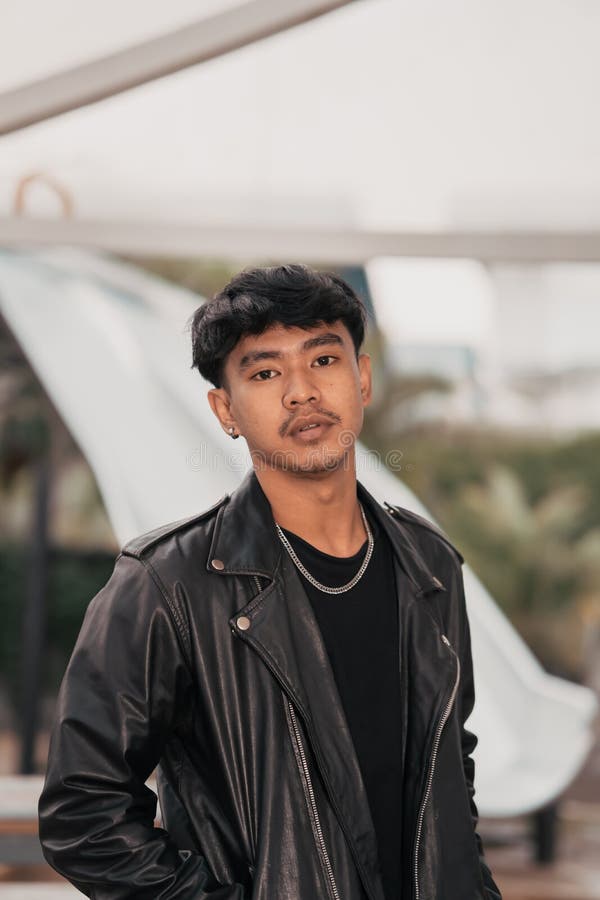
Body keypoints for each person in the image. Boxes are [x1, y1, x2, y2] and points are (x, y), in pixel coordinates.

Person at [38, 264, 503, 899]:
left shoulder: (430, 564)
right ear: (225, 410)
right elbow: (82, 812)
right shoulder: (166, 583)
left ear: (363, 379)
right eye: (264, 373)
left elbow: (451, 769)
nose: (301, 392)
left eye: (324, 360)